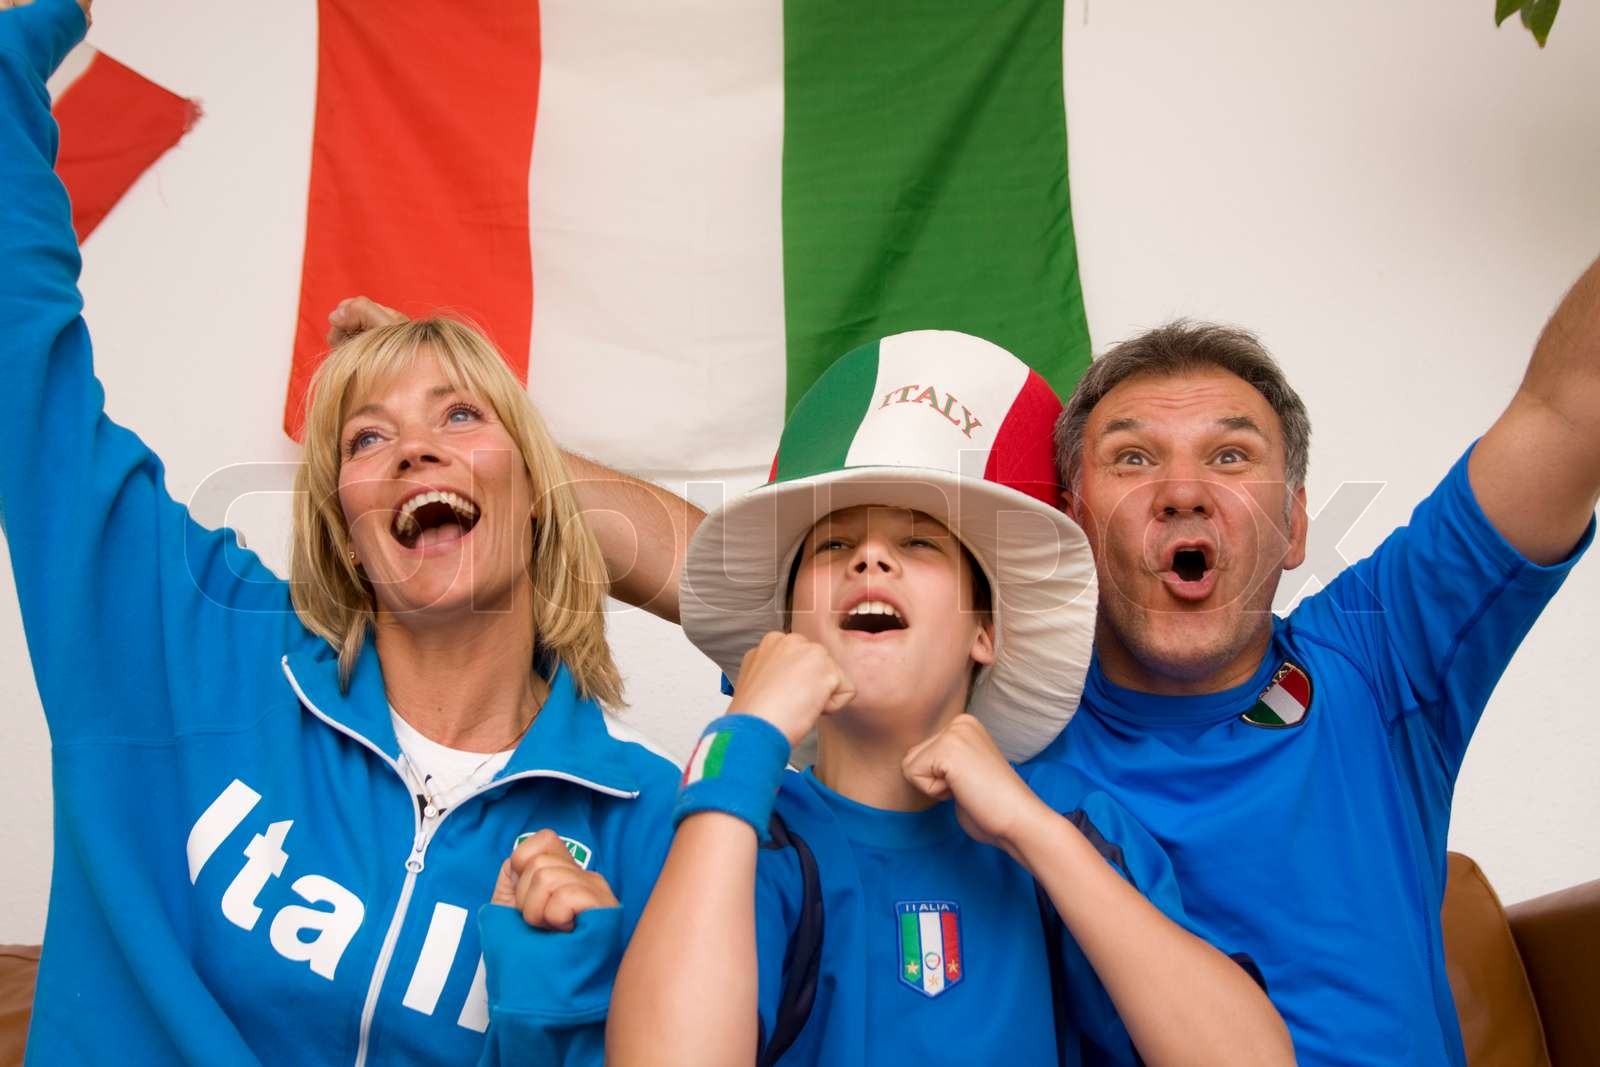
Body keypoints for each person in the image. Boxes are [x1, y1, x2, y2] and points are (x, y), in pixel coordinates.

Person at [0, 1, 685, 1062]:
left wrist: (556, 990)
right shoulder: (194, 646)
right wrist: (22, 36)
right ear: (345, 528)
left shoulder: (646, 819)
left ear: (543, 489)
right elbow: (21, 358)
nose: (414, 450)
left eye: (461, 417)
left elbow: (803, 614)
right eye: (368, 437)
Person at [606, 331, 1293, 1066]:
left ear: (985, 632)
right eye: (833, 546)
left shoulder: (1071, 822)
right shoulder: (743, 829)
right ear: (789, 630)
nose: (871, 558)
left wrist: (1034, 832)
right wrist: (744, 734)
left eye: (920, 544)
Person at [1029, 311, 1597, 1064]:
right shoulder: (1005, 744)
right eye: (1132, 458)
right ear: (1073, 526)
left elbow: (1569, 406)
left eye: (1231, 455)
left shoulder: (1380, 654)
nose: (1183, 491)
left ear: (1294, 526)